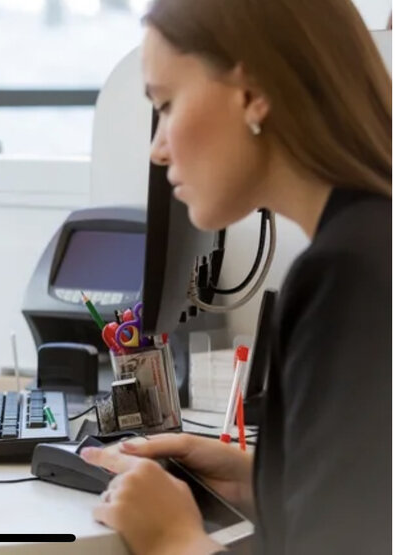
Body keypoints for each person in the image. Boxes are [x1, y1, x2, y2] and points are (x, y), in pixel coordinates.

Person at [80, 0, 391, 553]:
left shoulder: (350, 274)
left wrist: (171, 537)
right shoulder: (377, 240)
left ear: (254, 93)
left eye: (167, 104)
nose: (157, 148)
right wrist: (261, 477)